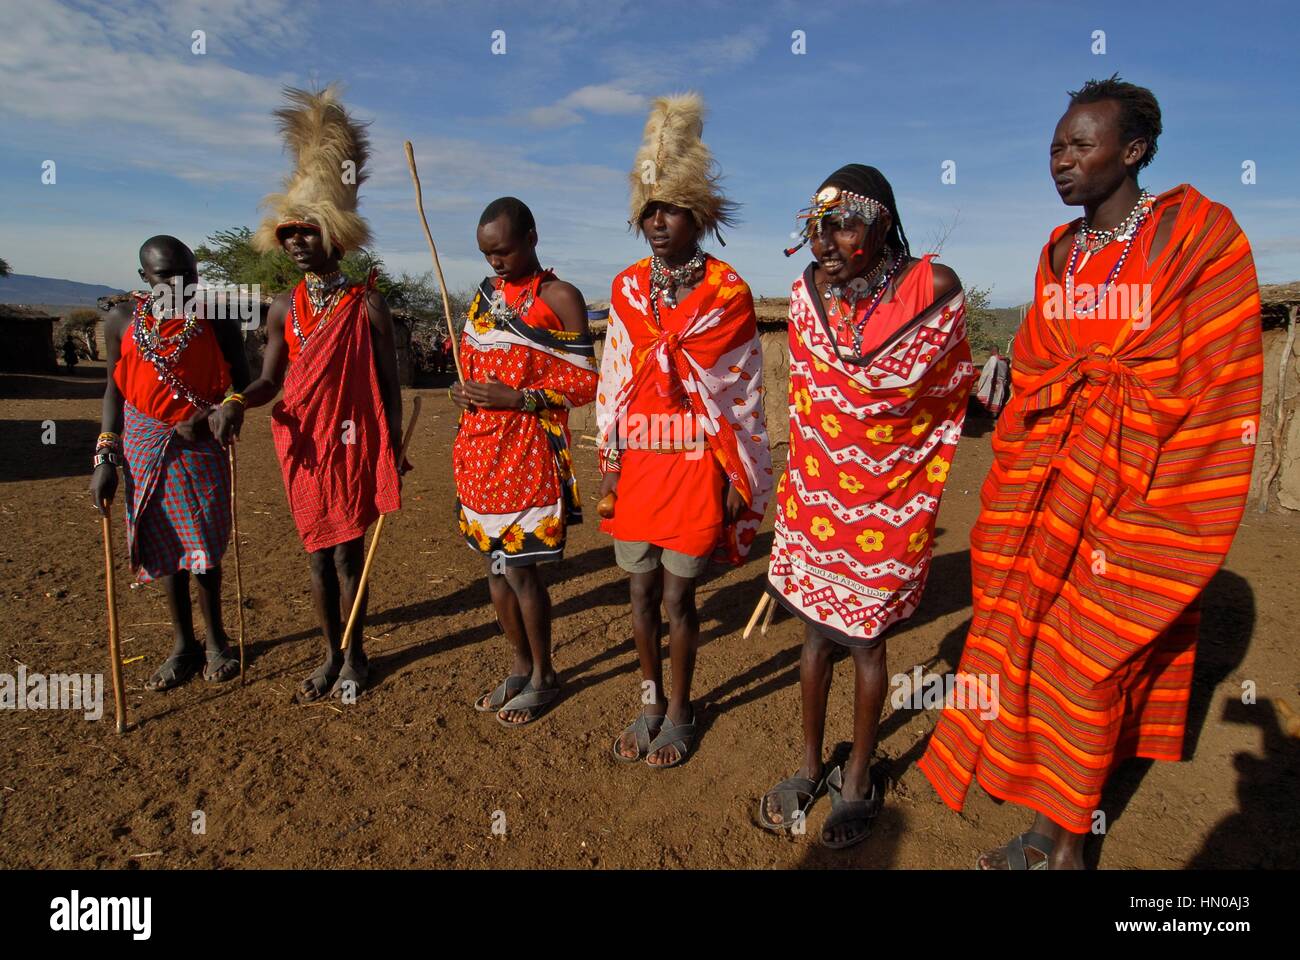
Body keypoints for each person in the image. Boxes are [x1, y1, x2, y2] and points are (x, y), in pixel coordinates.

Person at [918, 76, 1264, 869]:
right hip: (1049, 491)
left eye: (1081, 144)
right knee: (1035, 652)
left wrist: (1122, 413)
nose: (1061, 160)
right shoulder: (1061, 252)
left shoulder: (1197, 237)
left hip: (1141, 495)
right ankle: (1050, 823)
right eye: (1054, 146)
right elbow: (1043, 364)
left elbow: (1216, 374)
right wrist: (1001, 392)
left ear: (1133, 150)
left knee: (1089, 664)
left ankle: (1070, 846)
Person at [756, 165, 973, 847]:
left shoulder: (932, 288)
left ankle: (856, 778)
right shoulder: (807, 293)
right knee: (815, 636)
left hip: (890, 498)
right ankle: (808, 764)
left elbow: (946, 386)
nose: (826, 239)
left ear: (884, 224)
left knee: (868, 640)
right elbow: (811, 401)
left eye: (844, 223)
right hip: (818, 494)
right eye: (817, 226)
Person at [210, 85, 405, 703]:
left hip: (351, 443)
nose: (296, 242)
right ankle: (329, 653)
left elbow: (387, 388)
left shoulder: (365, 304)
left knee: (348, 555)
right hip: (301, 445)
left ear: (337, 238)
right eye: (288, 233)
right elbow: (269, 377)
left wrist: (392, 448)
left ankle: (356, 654)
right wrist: (239, 401)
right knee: (317, 557)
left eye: (307, 232)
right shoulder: (281, 308)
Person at [598, 93, 772, 768]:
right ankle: (649, 701)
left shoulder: (728, 295)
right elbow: (616, 375)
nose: (657, 223)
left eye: (670, 209)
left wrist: (738, 473)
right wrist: (610, 456)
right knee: (639, 591)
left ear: (698, 214)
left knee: (678, 596)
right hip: (640, 461)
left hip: (699, 462)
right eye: (648, 210)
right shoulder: (626, 290)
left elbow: (744, 394)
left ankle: (680, 709)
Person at [450, 197, 597, 725]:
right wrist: (461, 391)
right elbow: (471, 366)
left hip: (527, 453)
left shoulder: (560, 297)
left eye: (505, 251)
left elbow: (584, 383)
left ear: (532, 237)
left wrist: (519, 398)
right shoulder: (485, 296)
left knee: (522, 573)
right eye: (488, 254)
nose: (496, 263)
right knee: (494, 572)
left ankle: (545, 675)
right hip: (478, 455)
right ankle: (519, 664)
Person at [90, 236, 250, 689]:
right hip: (142, 444)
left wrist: (218, 414)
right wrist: (105, 454)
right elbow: (113, 391)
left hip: (200, 444)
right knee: (163, 544)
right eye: (167, 278)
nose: (182, 285)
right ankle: (183, 645)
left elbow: (242, 384)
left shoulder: (217, 319)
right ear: (144, 278)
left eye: (190, 276)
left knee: (202, 542)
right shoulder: (121, 320)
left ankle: (217, 640)